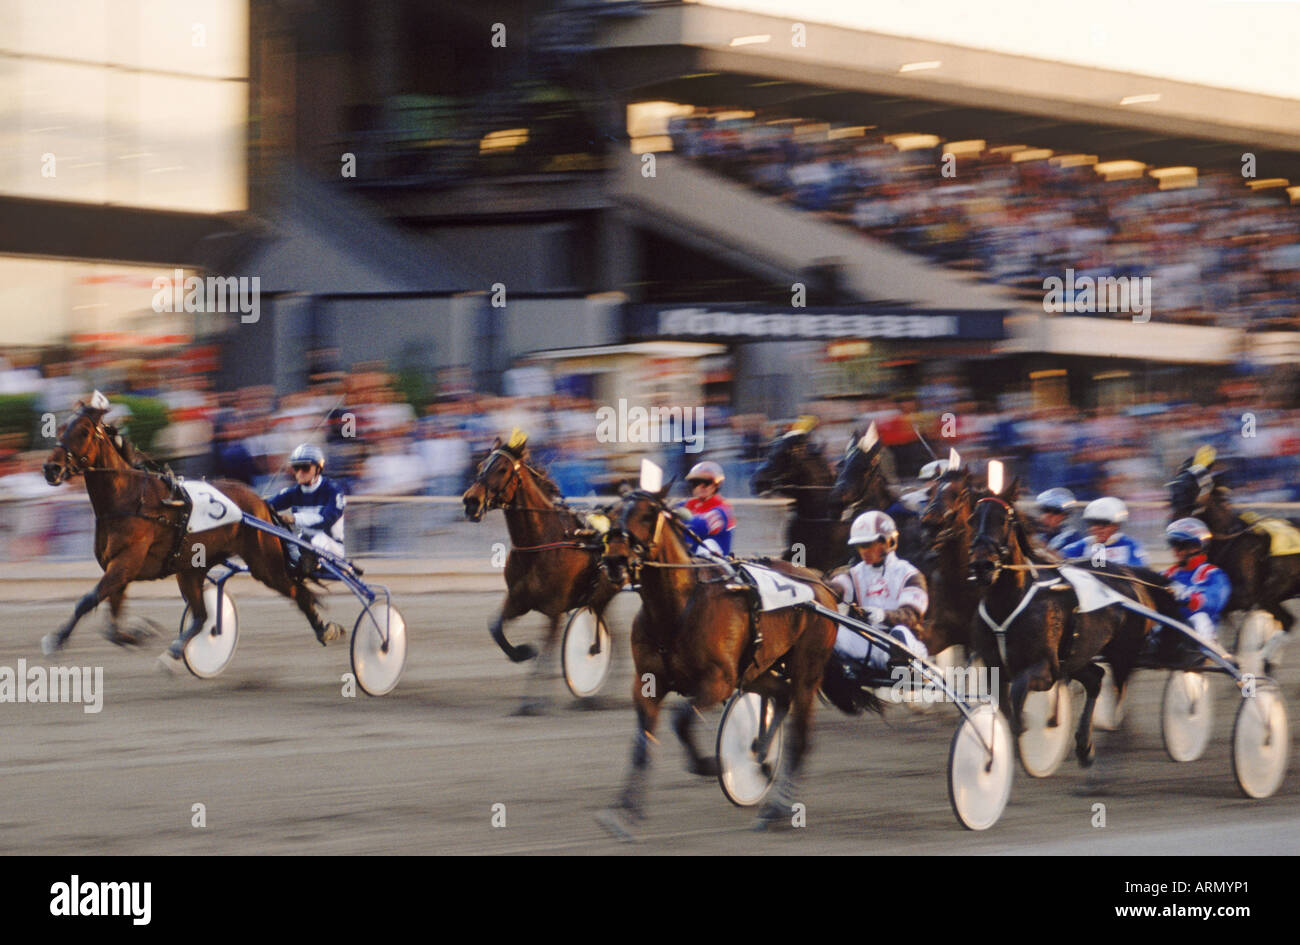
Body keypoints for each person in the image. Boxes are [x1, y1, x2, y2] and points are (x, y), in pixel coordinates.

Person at [822, 510, 929, 714]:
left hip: (901, 644)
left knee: (900, 633)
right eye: (859, 546)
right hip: (867, 644)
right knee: (831, 634)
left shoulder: (910, 574)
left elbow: (911, 616)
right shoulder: (854, 574)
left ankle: (914, 676)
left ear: (888, 542)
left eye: (868, 544)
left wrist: (882, 615)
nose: (863, 551)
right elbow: (835, 589)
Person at [1157, 518, 1231, 663]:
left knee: (1199, 618)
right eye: (1173, 544)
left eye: (1180, 545)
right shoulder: (1167, 574)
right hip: (1170, 629)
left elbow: (1215, 601)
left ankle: (1202, 652)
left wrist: (1189, 597)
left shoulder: (1214, 574)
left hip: (1198, 631)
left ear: (1196, 547)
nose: (1175, 550)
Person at [268, 443, 346, 576]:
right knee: (282, 536)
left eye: (304, 468)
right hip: (304, 544)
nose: (299, 473)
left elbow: (326, 520)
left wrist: (294, 518)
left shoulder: (333, 491)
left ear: (318, 468)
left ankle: (308, 563)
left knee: (314, 538)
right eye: (296, 468)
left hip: (331, 547)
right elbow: (268, 505)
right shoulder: (293, 492)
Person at [1059, 496, 1148, 567]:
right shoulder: (1084, 544)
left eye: (1103, 525)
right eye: (1092, 524)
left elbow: (1138, 570)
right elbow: (1059, 559)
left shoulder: (1130, 544)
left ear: (1116, 526)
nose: (1095, 529)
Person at [677, 460, 735, 556]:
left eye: (706, 483)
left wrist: (676, 519)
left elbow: (700, 525)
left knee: (707, 545)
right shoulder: (688, 504)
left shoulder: (723, 509)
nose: (700, 487)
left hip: (714, 563)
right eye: (696, 483)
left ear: (716, 485)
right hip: (687, 559)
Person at [1036, 487, 1082, 552]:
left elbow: (1065, 560)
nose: (1047, 515)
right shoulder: (1037, 533)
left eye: (1056, 511)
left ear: (1064, 515)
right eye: (1045, 510)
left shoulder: (1071, 535)